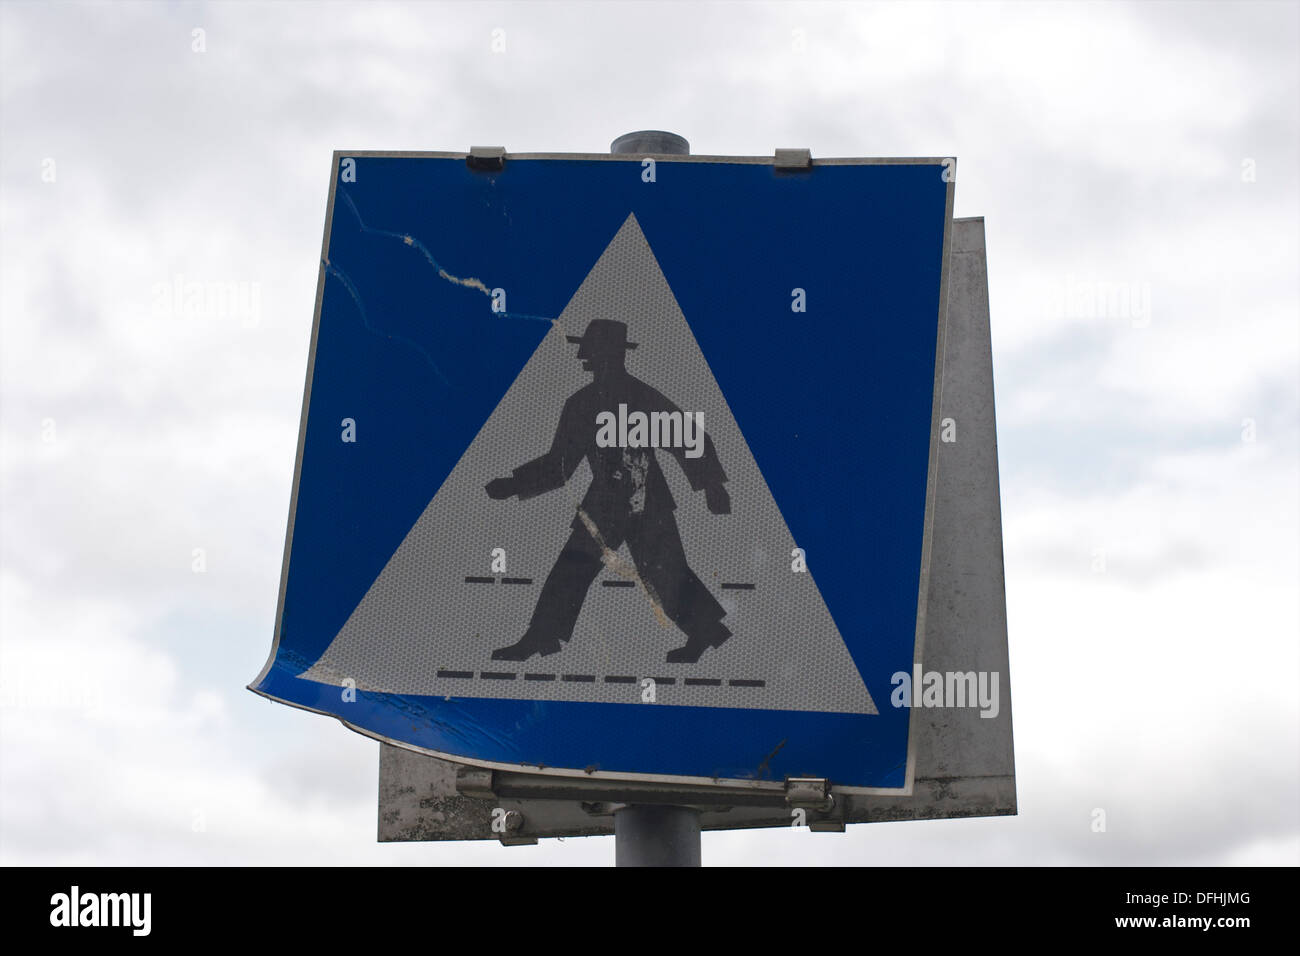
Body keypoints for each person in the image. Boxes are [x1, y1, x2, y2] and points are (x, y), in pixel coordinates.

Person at [485, 319, 734, 663]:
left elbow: (687, 436)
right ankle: (540, 638)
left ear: (615, 354)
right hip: (603, 503)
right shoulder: (581, 404)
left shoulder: (641, 396)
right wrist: (514, 485)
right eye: (592, 352)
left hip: (649, 502)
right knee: (572, 569)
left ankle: (705, 632)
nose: (595, 358)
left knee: (667, 573)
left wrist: (711, 486)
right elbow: (560, 464)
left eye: (601, 351)